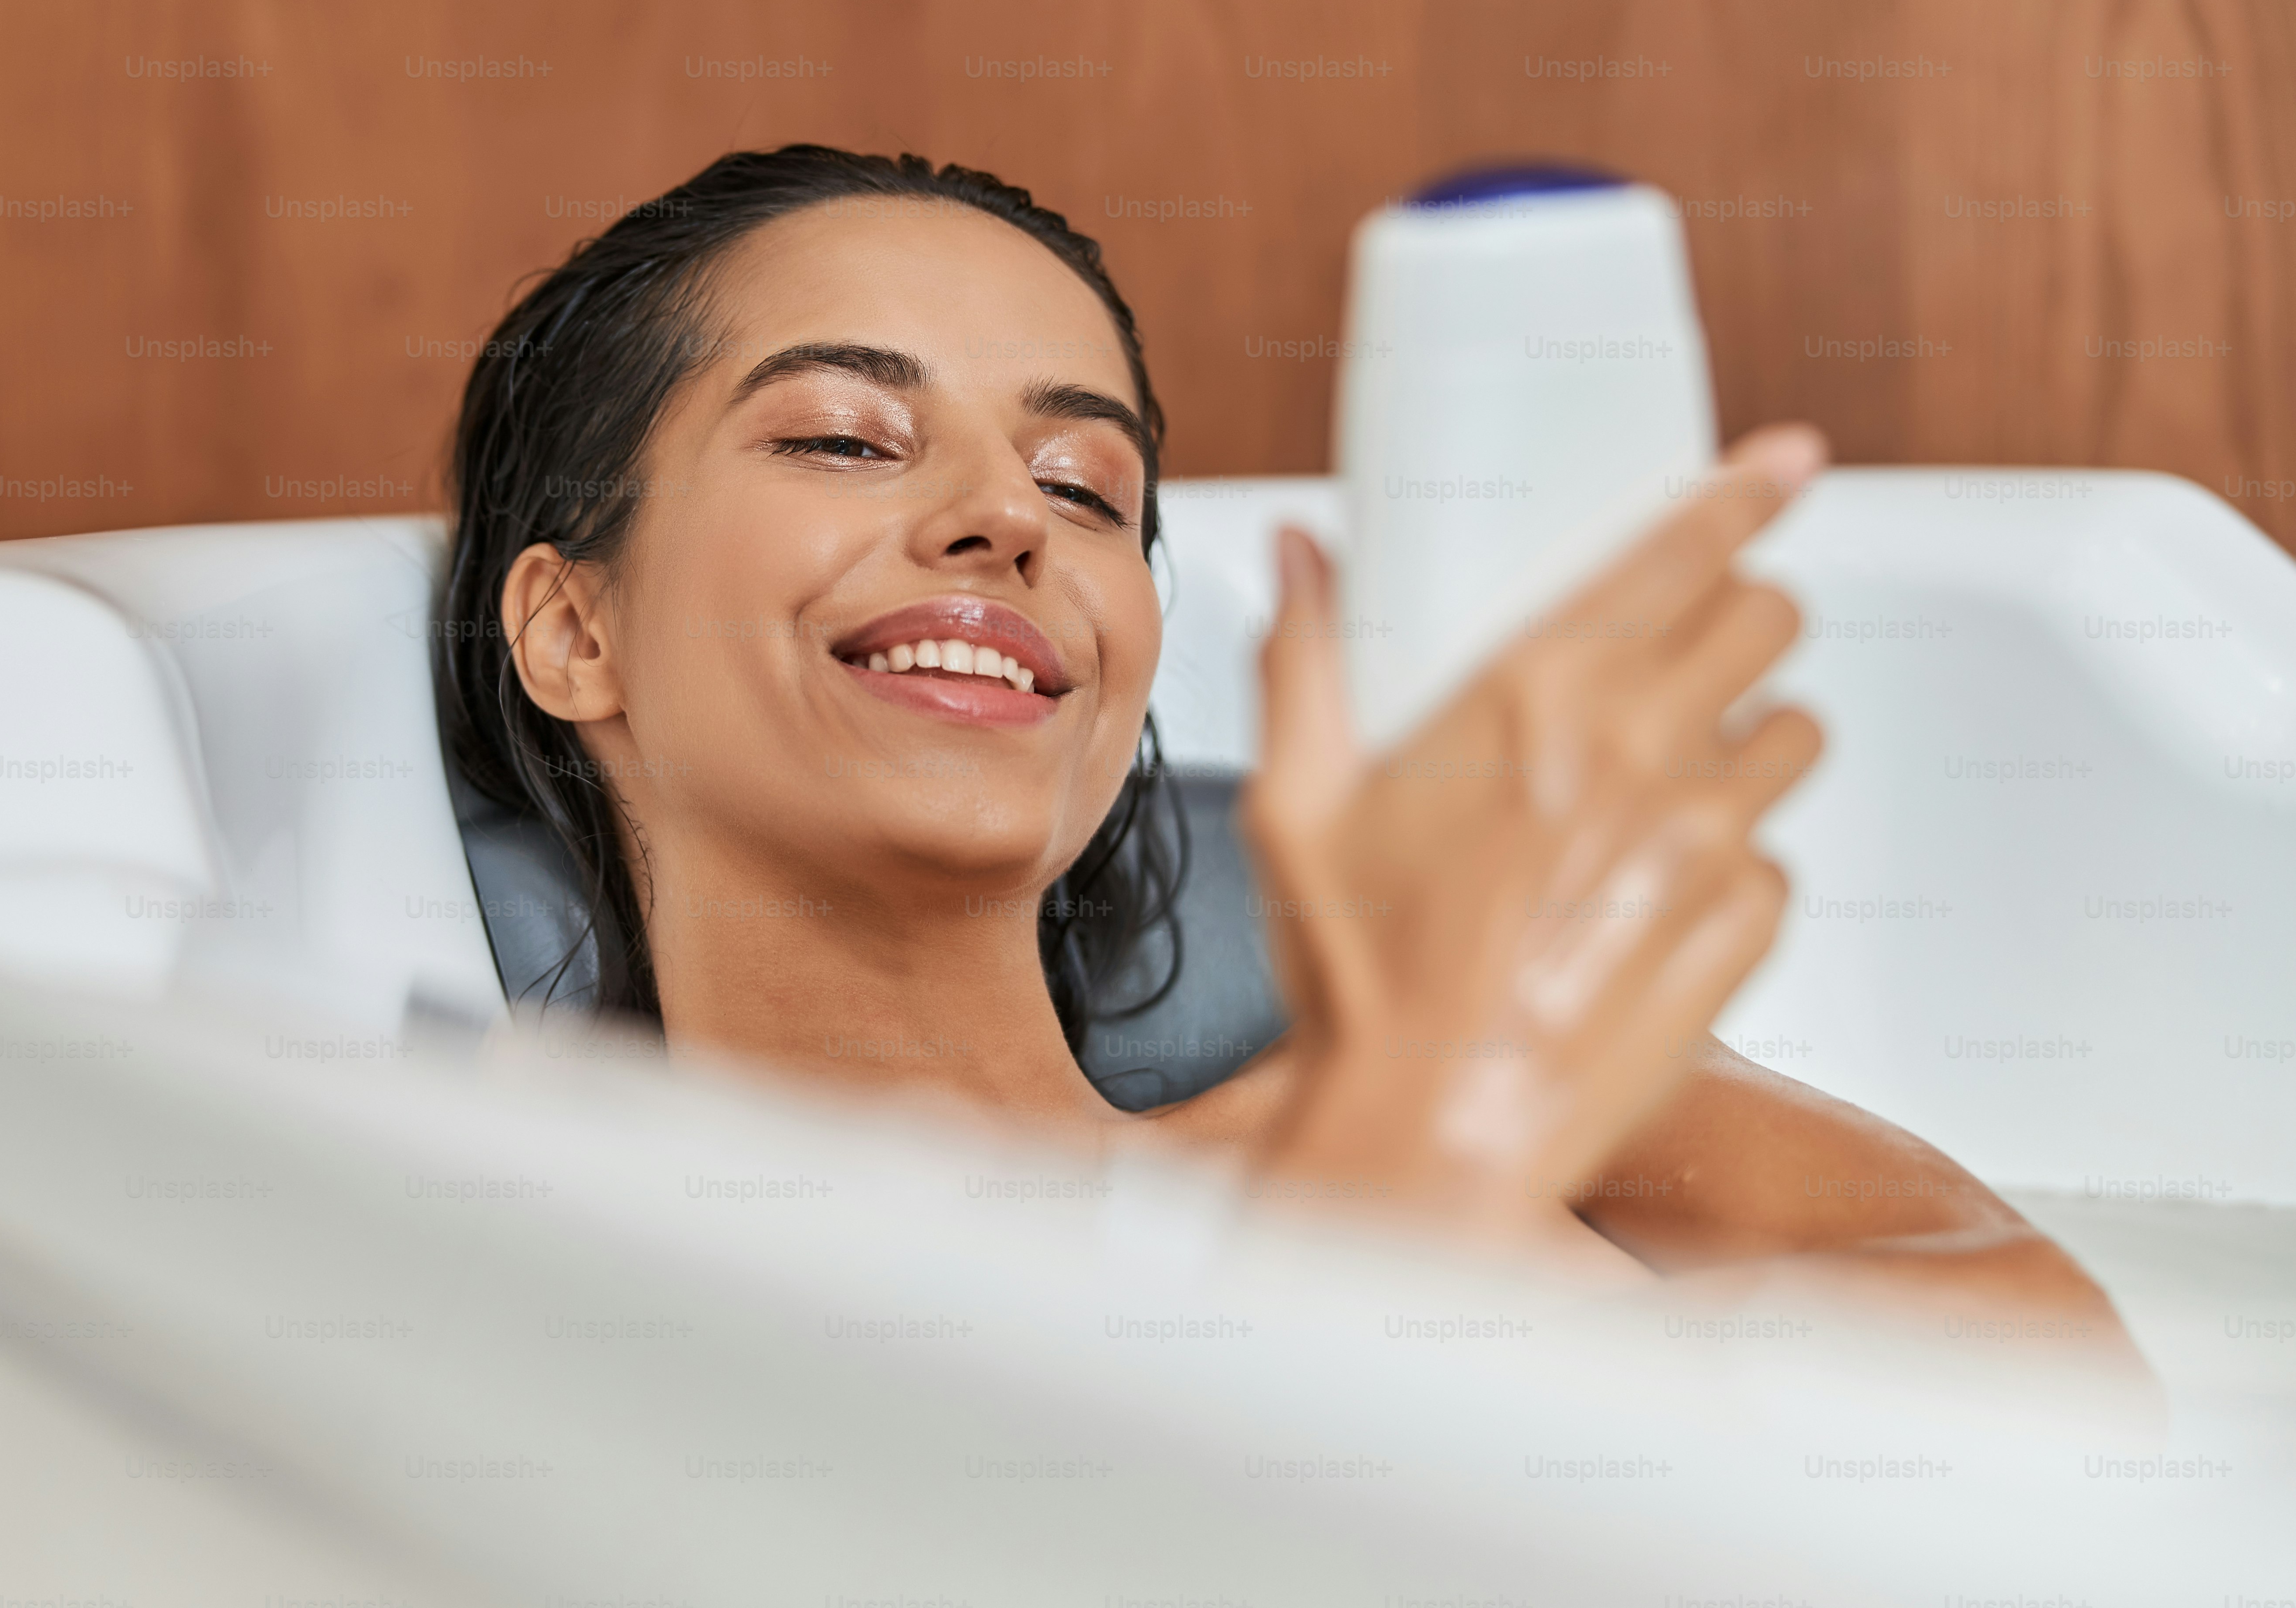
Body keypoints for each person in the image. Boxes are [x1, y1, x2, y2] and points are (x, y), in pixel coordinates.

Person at [436, 144, 2139, 1359]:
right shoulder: (522, 1263)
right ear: (574, 630)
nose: (1002, 516)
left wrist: (1435, 1130)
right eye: (843, 437)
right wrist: (1398, 1198)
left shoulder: (1459, 1069)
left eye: (1084, 488)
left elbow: (2065, 1410)